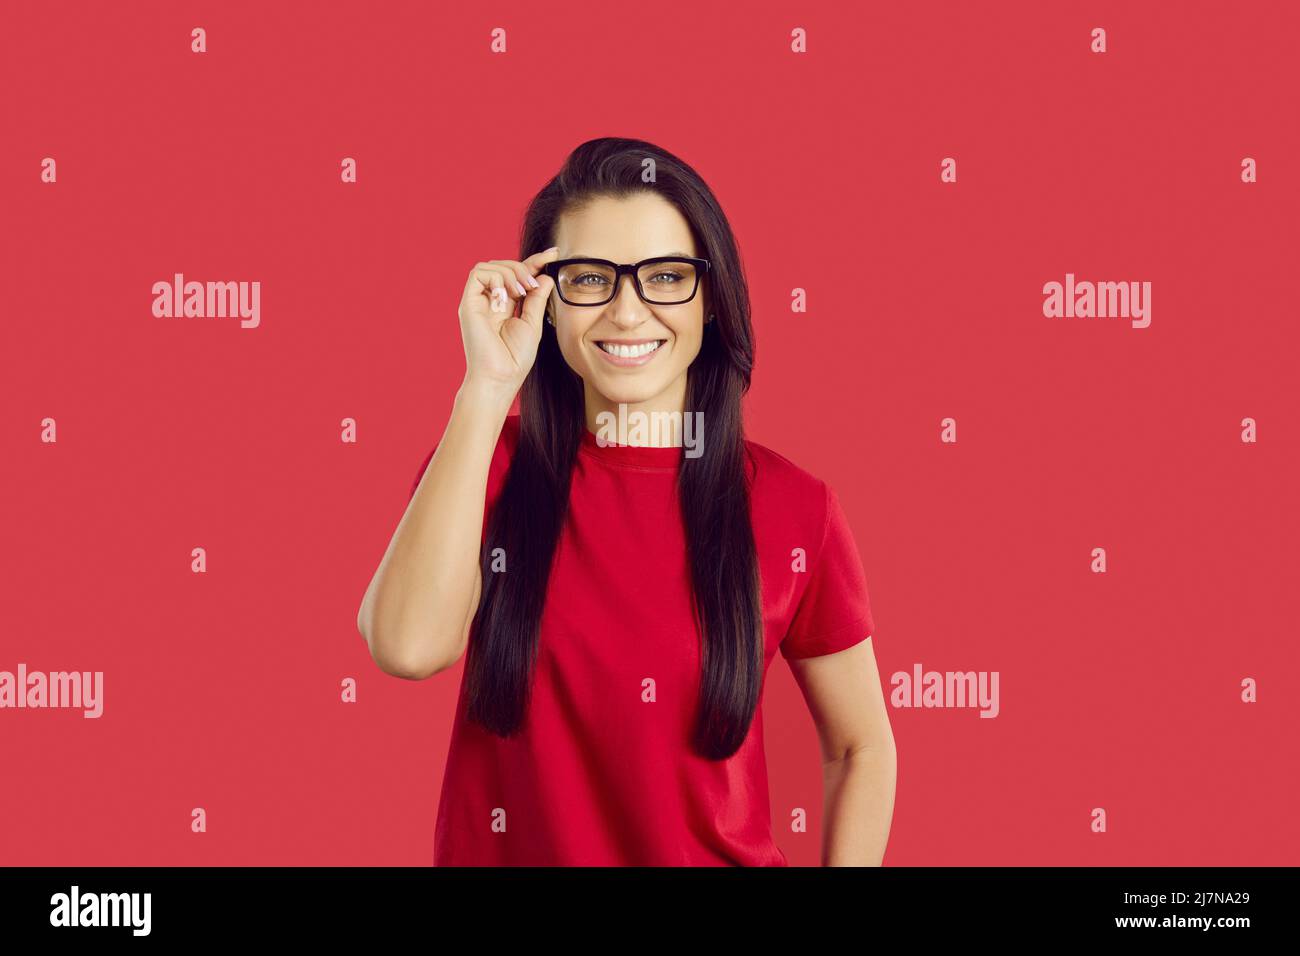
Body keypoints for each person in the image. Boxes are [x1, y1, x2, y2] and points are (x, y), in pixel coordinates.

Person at [357, 137, 896, 866]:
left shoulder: (795, 507)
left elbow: (861, 746)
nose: (627, 310)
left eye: (666, 276)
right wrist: (484, 388)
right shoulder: (484, 464)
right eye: (589, 279)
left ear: (711, 301)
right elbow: (407, 647)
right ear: (545, 302)